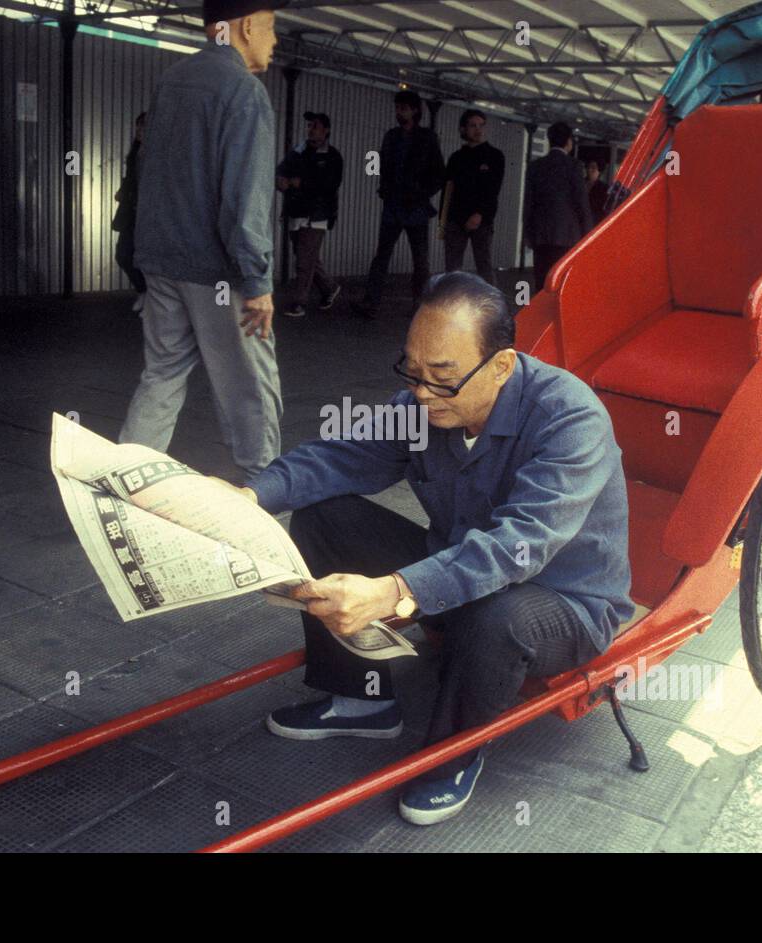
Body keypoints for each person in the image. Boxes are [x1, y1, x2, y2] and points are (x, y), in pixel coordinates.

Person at [230, 271, 634, 826]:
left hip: (561, 602)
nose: (421, 393)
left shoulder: (569, 418)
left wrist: (394, 592)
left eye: (441, 377)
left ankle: (453, 753)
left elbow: (520, 546)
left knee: (500, 614)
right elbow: (342, 456)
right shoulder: (424, 406)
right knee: (326, 517)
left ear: (501, 365)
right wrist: (245, 497)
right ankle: (361, 700)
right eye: (412, 372)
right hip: (459, 575)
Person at [119, 0, 287, 481]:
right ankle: (264, 494)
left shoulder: (173, 80)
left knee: (162, 374)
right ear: (249, 25)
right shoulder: (244, 92)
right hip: (217, 273)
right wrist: (257, 281)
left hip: (161, 262)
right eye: (273, 29)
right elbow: (244, 198)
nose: (275, 42)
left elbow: (150, 172)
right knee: (250, 388)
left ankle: (123, 480)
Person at [354, 90, 445, 319]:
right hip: (395, 205)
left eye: (403, 108)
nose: (399, 112)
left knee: (419, 259)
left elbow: (438, 173)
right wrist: (385, 189)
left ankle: (420, 304)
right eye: (398, 108)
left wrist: (421, 193)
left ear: (415, 110)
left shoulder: (427, 138)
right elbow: (382, 165)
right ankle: (371, 302)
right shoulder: (392, 136)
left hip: (414, 206)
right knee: (383, 255)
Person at [276, 110, 344, 318]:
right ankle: (330, 287)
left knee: (304, 261)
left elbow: (330, 184)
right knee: (306, 255)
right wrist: (280, 180)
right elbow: (282, 169)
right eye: (309, 126)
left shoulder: (332, 157)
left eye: (315, 126)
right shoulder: (298, 151)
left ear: (326, 130)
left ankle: (299, 302)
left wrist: (300, 183)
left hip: (317, 215)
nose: (310, 130)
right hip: (296, 212)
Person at [524, 122, 592, 292]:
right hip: (567, 237)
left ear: (549, 140)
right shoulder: (574, 166)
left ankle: (537, 316)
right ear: (569, 141)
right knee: (562, 284)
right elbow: (581, 202)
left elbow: (528, 203)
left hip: (540, 236)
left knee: (541, 282)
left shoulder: (535, 166)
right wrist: (588, 233)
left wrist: (528, 234)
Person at [441, 109, 505, 284]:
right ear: (463, 129)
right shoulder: (456, 158)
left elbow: (493, 190)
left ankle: (493, 308)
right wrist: (443, 222)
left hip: (482, 220)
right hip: (455, 220)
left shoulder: (495, 156)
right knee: (452, 268)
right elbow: (448, 191)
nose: (478, 129)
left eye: (481, 125)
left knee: (484, 265)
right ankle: (453, 306)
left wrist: (479, 214)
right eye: (472, 125)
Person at [113, 111, 147, 311]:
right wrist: (123, 191)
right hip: (133, 212)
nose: (139, 131)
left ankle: (148, 295)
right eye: (138, 127)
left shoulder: (157, 154)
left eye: (143, 127)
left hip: (148, 215)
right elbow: (131, 179)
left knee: (137, 256)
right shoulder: (136, 153)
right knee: (123, 255)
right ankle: (144, 292)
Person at [585, 159, 610, 229]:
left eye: (593, 168)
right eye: (588, 167)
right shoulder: (580, 183)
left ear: (599, 171)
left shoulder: (604, 188)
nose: (589, 170)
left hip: (594, 223)